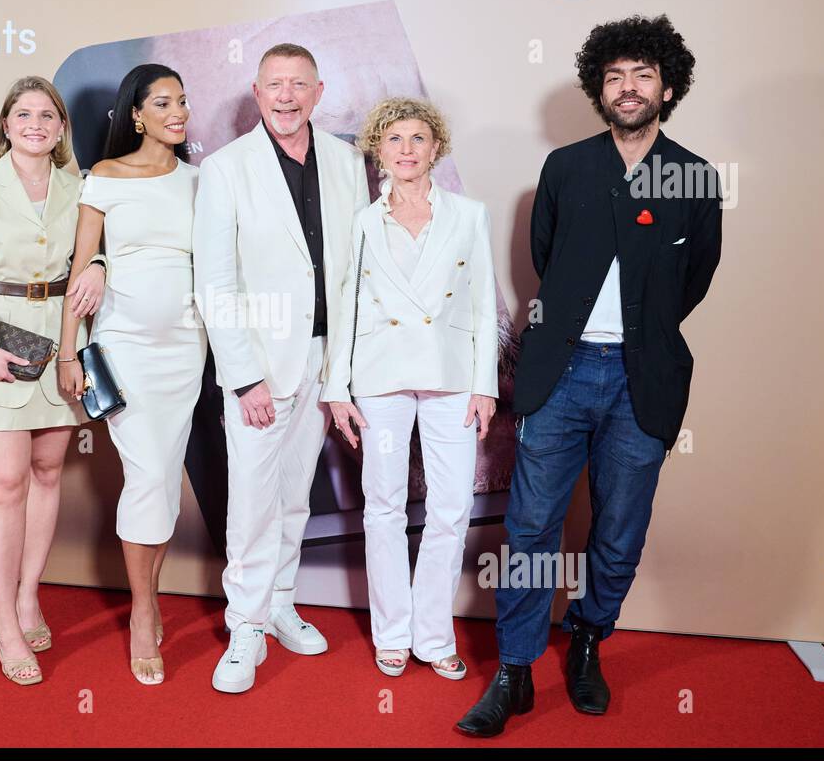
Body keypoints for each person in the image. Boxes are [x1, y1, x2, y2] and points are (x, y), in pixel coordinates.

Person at [456, 14, 723, 737]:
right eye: (614, 76)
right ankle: (514, 671)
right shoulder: (567, 168)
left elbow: (693, 278)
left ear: (667, 88)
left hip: (645, 380)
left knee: (619, 533)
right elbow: (548, 256)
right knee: (532, 526)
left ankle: (587, 640)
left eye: (642, 75)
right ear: (598, 88)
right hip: (563, 373)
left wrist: (638, 332)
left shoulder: (692, 175)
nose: (627, 87)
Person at [192, 43, 370, 694]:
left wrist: (346, 371)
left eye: (299, 84)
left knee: (297, 495)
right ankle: (245, 626)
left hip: (327, 360)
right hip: (260, 367)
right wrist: (244, 376)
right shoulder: (227, 169)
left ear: (318, 92)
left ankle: (281, 602)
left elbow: (355, 273)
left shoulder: (350, 163)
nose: (287, 95)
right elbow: (214, 282)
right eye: (275, 84)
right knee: (253, 500)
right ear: (258, 92)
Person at [322, 97, 498, 680]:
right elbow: (343, 305)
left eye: (417, 138)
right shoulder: (361, 222)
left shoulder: (468, 215)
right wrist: (338, 387)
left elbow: (481, 304)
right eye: (393, 138)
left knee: (451, 508)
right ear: (378, 148)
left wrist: (485, 384)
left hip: (451, 379)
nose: (405, 149)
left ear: (435, 148)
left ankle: (435, 633)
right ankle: (392, 633)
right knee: (385, 507)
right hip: (380, 379)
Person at [0, 76, 105, 687]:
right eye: (23, 114)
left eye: (47, 115)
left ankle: (30, 594)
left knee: (45, 474)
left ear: (61, 128)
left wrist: (99, 265)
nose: (35, 123)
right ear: (6, 124)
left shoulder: (81, 186)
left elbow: (99, 250)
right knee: (7, 483)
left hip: (63, 344)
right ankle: (5, 620)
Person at [58, 64, 206, 686]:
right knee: (147, 474)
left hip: (186, 347)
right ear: (137, 114)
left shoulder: (201, 181)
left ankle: (149, 596)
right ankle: (144, 611)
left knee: (163, 478)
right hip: (125, 346)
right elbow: (79, 265)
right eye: (164, 102)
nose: (179, 112)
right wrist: (69, 351)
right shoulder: (104, 178)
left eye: (183, 100)